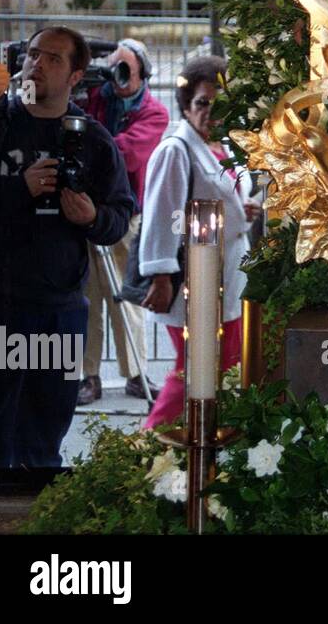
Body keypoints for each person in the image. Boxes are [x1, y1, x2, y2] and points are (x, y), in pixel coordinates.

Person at [0, 28, 133, 467]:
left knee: (45, 432)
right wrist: (18, 189)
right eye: (31, 55)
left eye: (52, 59)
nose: (36, 65)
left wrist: (92, 218)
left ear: (75, 75)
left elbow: (120, 212)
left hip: (59, 306)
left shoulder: (94, 139)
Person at [138, 56, 257, 428]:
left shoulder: (224, 146)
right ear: (187, 105)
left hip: (230, 277)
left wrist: (242, 210)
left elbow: (229, 198)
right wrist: (160, 277)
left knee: (224, 363)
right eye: (203, 102)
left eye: (219, 102)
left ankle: (202, 437)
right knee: (194, 366)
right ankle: (152, 444)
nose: (210, 111)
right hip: (193, 280)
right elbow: (161, 216)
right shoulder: (176, 150)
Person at [78, 38, 168, 405]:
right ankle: (89, 377)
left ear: (143, 73)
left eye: (126, 69)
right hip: (86, 212)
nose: (118, 77)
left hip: (124, 214)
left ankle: (135, 374)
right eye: (113, 67)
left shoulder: (154, 112)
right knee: (88, 299)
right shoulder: (97, 99)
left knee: (124, 298)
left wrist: (93, 144)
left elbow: (126, 155)